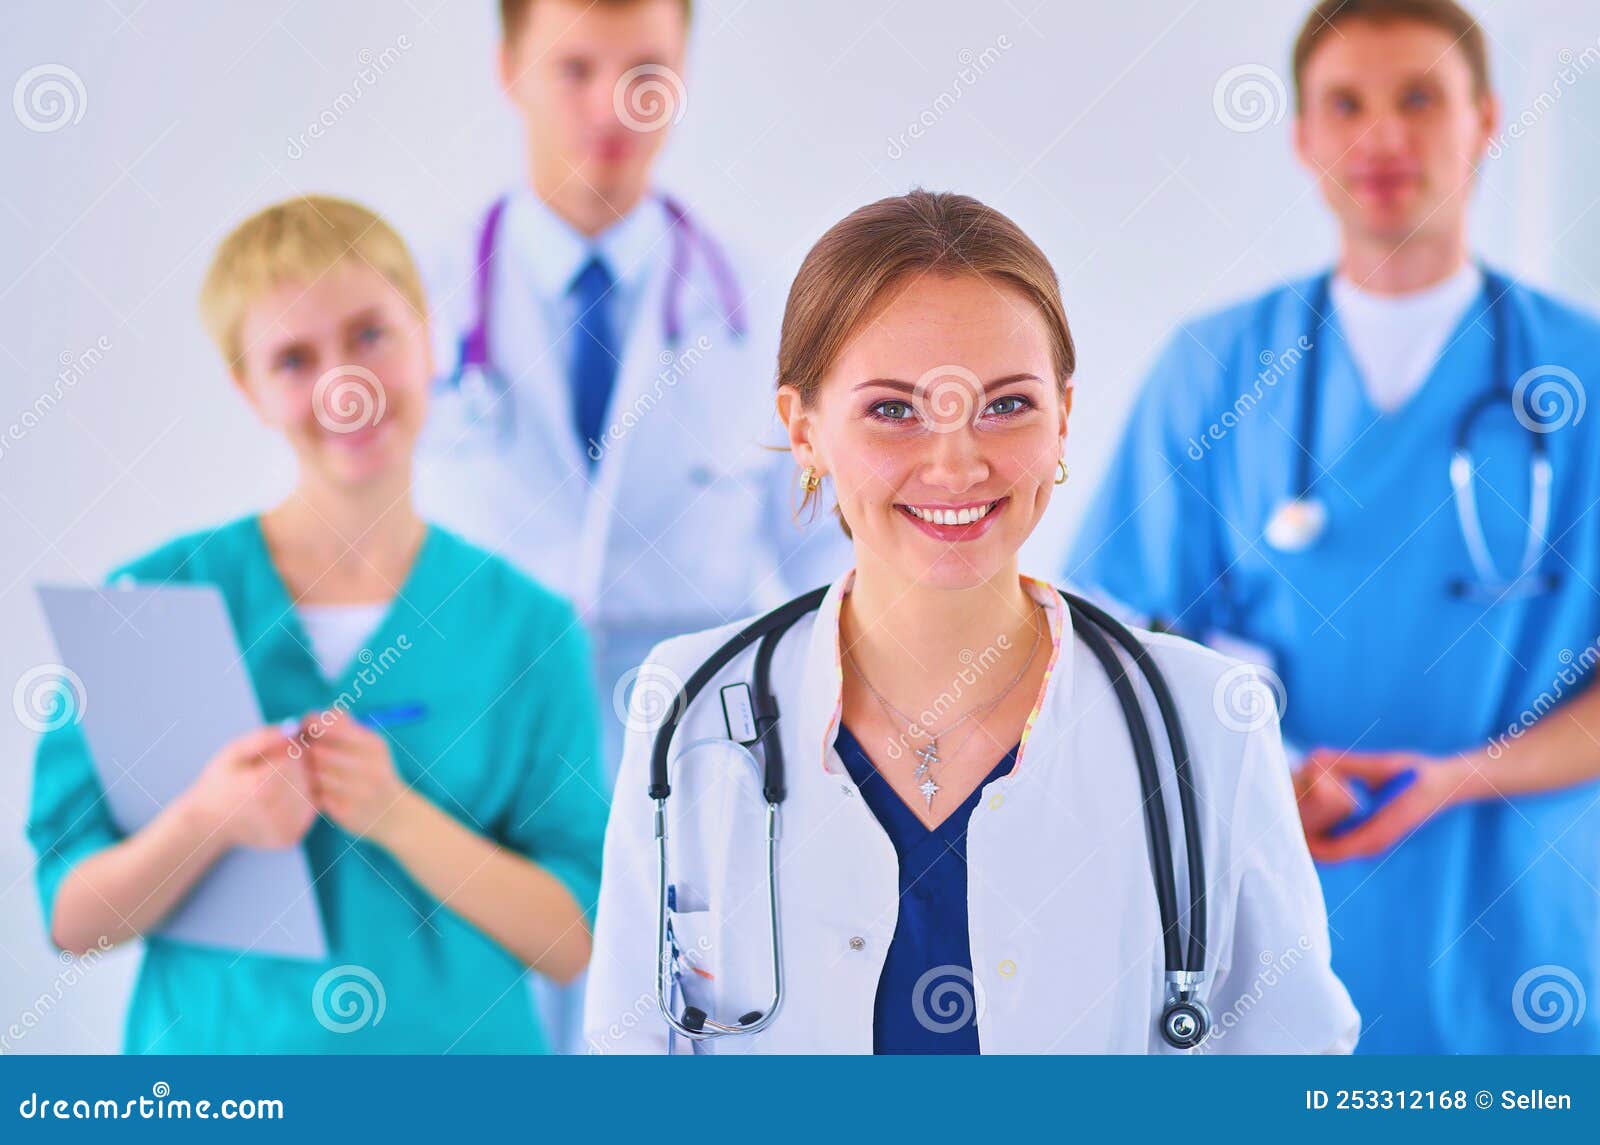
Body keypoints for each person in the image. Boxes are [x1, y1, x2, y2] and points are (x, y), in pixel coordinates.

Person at [581, 190, 1358, 1054]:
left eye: (1005, 404)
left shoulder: (1208, 718)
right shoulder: (690, 705)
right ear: (803, 431)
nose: (955, 462)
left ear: (1064, 416)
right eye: (893, 410)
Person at [1069, 0, 1600, 1053]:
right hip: (1268, 887)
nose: (1382, 138)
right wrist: (1272, 773)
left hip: (1525, 930)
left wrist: (1458, 776)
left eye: (1419, 98)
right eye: (1346, 104)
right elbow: (1112, 639)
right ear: (1302, 136)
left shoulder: (1578, 374)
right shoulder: (1215, 369)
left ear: (1485, 120)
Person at [26, 196, 608, 1053]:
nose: (343, 386)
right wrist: (209, 820)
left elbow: (573, 938)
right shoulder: (152, 599)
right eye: (295, 358)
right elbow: (72, 916)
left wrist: (397, 815)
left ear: (431, 338)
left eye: (372, 334)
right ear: (248, 390)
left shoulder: (530, 628)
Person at [418, 0, 848, 776]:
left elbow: (829, 560)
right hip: (474, 761)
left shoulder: (767, 310)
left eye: (646, 73)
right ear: (509, 69)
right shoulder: (413, 303)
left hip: (698, 766)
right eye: (575, 69)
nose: (614, 107)